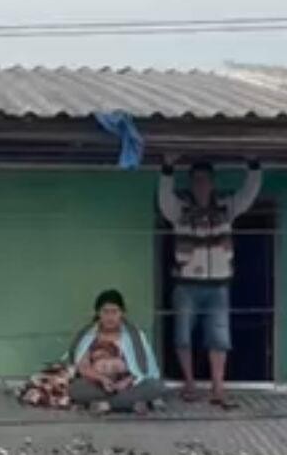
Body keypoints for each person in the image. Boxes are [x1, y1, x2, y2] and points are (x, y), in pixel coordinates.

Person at [158, 157, 262, 408]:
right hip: (186, 284)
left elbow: (248, 195)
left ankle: (218, 388)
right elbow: (163, 199)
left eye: (205, 180)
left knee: (219, 337)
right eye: (197, 180)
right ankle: (190, 384)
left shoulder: (226, 207)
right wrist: (167, 169)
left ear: (213, 182)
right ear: (191, 182)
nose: (201, 185)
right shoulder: (179, 208)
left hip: (218, 286)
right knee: (183, 335)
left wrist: (254, 167)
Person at [68, 289, 165, 415]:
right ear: (98, 313)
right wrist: (102, 379)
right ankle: (130, 403)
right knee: (76, 388)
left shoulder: (135, 335)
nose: (110, 317)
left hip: (128, 384)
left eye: (114, 312)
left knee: (155, 386)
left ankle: (105, 404)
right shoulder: (89, 335)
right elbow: (83, 367)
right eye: (105, 312)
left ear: (122, 313)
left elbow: (143, 369)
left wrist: (125, 382)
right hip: (99, 385)